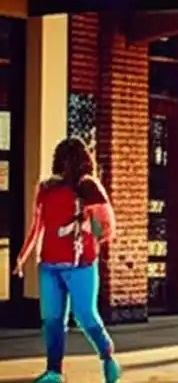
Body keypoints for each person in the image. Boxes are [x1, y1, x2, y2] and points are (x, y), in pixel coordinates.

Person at [12, 137, 123, 383]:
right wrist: (22, 257)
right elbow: (37, 226)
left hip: (81, 265)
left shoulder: (89, 187)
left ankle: (107, 357)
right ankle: (54, 371)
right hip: (49, 265)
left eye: (69, 159)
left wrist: (84, 227)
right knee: (52, 319)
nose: (65, 165)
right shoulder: (46, 187)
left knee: (85, 315)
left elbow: (107, 229)